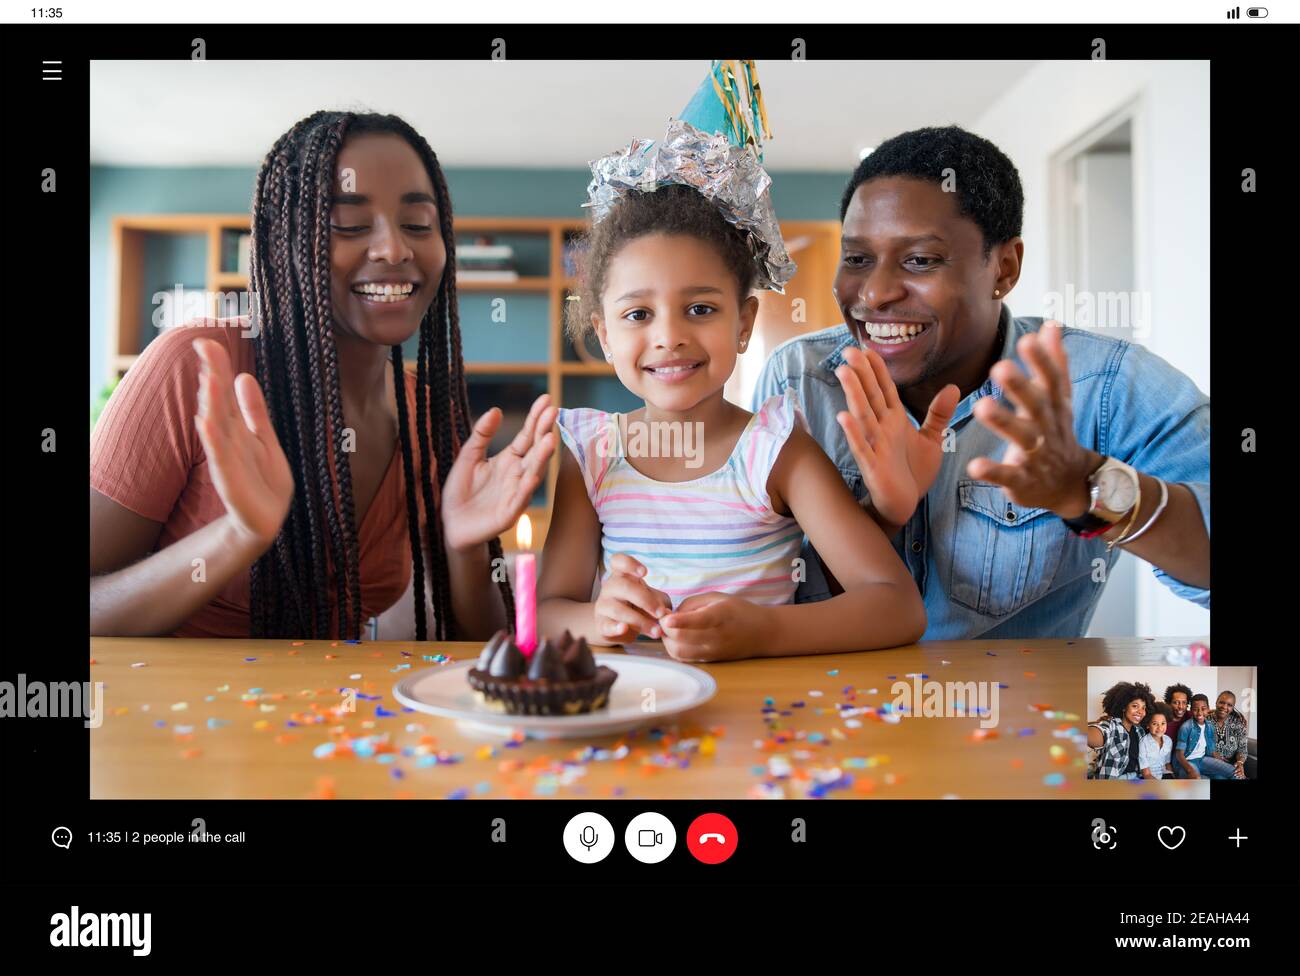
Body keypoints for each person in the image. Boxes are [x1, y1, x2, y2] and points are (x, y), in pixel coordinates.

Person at [91, 111, 556, 639]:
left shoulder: (425, 414)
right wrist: (235, 538)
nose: (394, 249)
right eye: (350, 226)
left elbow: (480, 648)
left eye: (418, 225)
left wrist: (466, 548)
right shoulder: (189, 369)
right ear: (287, 243)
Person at [753, 125, 1210, 638]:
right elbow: (765, 574)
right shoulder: (799, 379)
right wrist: (876, 516)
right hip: (827, 710)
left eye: (920, 260)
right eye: (858, 258)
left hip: (1022, 712)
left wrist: (1087, 490)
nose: (875, 292)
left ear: (1005, 268)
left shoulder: (1104, 386)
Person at [537, 121, 925, 662]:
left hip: (763, 727)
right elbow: (551, 612)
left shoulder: (776, 450)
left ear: (744, 323)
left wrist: (765, 631)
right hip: (634, 727)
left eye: (700, 309)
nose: (669, 336)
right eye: (638, 314)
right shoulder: (591, 455)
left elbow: (896, 606)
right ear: (604, 335)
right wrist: (599, 617)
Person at [1086, 681, 1154, 780]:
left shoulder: (1140, 731)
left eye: (1144, 708)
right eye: (1135, 706)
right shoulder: (1111, 726)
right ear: (1124, 707)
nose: (1140, 712)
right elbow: (1099, 732)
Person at [1174, 694, 1235, 779]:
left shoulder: (1209, 726)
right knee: (1198, 779)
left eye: (1203, 709)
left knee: (1233, 771)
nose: (1199, 713)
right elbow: (1179, 754)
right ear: (1191, 710)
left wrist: (1219, 759)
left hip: (1202, 760)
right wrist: (1189, 770)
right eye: (1195, 709)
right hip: (1187, 762)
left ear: (1208, 709)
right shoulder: (1186, 727)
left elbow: (1211, 747)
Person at [1209, 691, 1250, 779]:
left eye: (1229, 705)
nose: (1224, 707)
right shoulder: (1206, 720)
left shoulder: (1238, 723)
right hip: (1210, 764)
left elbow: (1242, 749)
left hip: (1231, 765)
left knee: (1237, 775)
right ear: (1216, 702)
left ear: (1233, 708)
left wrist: (1240, 763)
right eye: (1221, 702)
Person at [1139, 703, 1174, 780]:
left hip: (1164, 774)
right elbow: (1146, 773)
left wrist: (1173, 778)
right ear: (1148, 725)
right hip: (1148, 777)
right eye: (1155, 724)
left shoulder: (1168, 741)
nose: (1160, 728)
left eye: (1163, 723)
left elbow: (1167, 764)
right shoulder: (1143, 743)